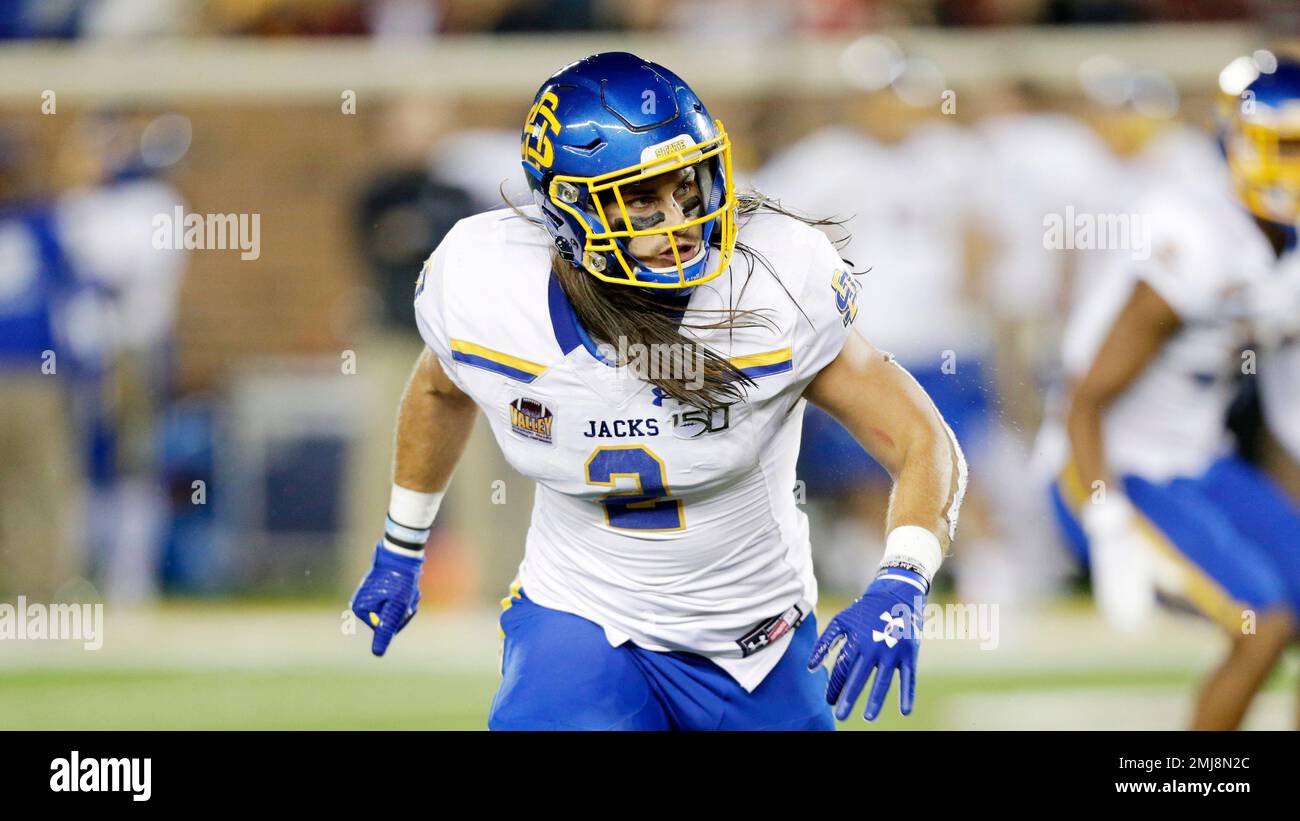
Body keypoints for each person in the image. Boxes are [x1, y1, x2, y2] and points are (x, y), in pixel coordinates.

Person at [349, 52, 966, 730]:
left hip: (754, 639)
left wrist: (904, 576)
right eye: (642, 198)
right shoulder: (490, 285)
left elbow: (920, 439)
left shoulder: (774, 283)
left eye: (687, 186)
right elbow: (440, 391)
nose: (678, 219)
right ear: (569, 209)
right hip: (581, 617)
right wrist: (402, 545)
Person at [1044, 57, 1300, 729]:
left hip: (1200, 460)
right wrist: (1108, 523)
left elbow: (1287, 410)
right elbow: (1085, 398)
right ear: (1241, 144)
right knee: (1262, 625)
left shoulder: (1286, 244)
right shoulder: (1197, 235)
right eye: (1287, 147)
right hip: (1110, 464)